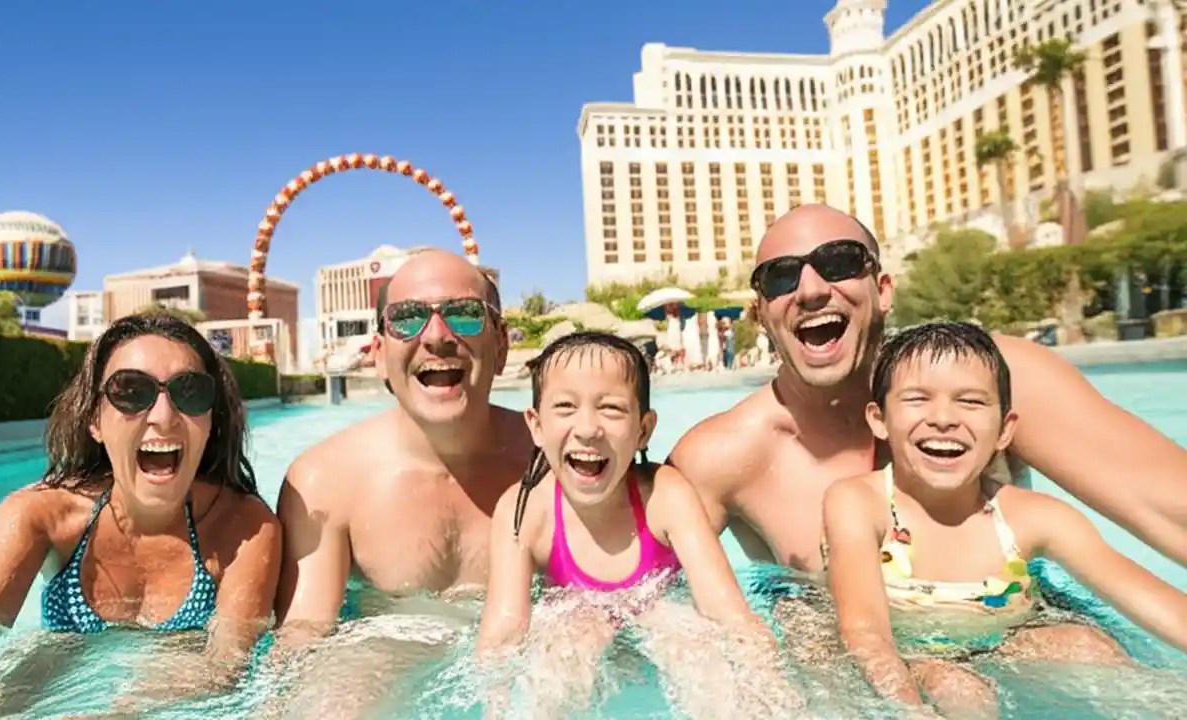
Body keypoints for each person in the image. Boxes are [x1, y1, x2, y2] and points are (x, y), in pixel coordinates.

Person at [668, 203, 1187, 576]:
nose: (810, 290)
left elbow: (1169, 505)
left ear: (884, 289)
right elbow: (625, 598)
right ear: (760, 314)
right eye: (780, 278)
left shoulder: (994, 382)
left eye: (841, 262)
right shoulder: (724, 456)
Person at [0, 313, 281, 715]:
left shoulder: (244, 528)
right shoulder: (40, 517)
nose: (163, 416)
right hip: (62, 659)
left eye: (189, 392)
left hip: (171, 689)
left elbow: (225, 666)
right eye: (131, 391)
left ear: (212, 420)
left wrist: (109, 713)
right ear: (95, 422)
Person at [823, 321, 1187, 717]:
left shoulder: (1030, 518)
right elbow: (865, 632)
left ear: (1004, 430)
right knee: (959, 690)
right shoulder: (860, 502)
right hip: (911, 655)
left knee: (1089, 647)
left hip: (1006, 643)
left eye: (971, 402)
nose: (943, 418)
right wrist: (911, 710)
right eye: (917, 399)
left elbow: (1149, 599)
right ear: (879, 420)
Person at [477, 332, 800, 717]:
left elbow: (728, 613)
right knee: (568, 640)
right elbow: (501, 637)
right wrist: (494, 709)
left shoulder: (665, 495)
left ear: (643, 429)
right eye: (565, 406)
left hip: (661, 618)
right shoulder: (524, 510)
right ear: (536, 425)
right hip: (576, 625)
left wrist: (778, 694)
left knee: (685, 635)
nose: (587, 428)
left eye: (611, 409)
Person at [270, 249, 535, 715]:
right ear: (378, 355)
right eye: (407, 318)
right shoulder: (327, 482)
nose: (437, 336)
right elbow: (303, 640)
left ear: (502, 345)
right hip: (387, 649)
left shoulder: (554, 463)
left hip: (532, 646)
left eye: (466, 315)